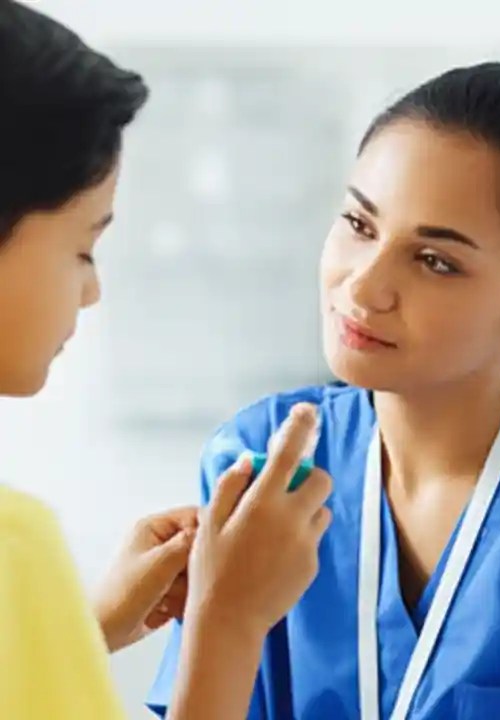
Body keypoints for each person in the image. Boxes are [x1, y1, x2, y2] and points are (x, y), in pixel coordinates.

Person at [147, 62, 500, 720]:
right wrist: (224, 617)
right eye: (360, 225)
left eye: (435, 261)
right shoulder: (258, 461)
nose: (362, 288)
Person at [0, 2, 333, 719]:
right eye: (83, 247)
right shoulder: (14, 551)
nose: (92, 290)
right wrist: (229, 620)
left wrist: (77, 631)